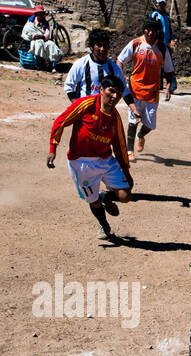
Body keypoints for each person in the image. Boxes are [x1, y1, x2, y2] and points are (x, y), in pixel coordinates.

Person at [48, 73, 133, 242]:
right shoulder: (86, 104)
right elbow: (61, 121)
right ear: (101, 89)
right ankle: (103, 224)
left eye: (119, 92)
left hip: (105, 161)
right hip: (81, 162)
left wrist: (126, 169)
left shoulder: (115, 118)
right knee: (92, 201)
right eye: (111, 91)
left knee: (126, 194)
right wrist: (53, 148)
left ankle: (105, 197)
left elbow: (120, 145)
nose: (115, 96)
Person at [118, 18, 175, 161]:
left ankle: (140, 135)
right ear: (144, 29)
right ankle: (129, 150)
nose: (150, 32)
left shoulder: (162, 48)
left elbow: (169, 70)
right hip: (135, 90)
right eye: (148, 29)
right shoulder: (135, 43)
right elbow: (120, 60)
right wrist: (120, 77)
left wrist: (168, 87)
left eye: (153, 30)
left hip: (152, 92)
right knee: (133, 121)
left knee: (150, 125)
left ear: (157, 32)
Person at [65, 28, 126, 100]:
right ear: (91, 47)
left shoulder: (113, 68)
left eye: (105, 45)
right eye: (99, 45)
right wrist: (78, 106)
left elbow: (124, 89)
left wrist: (134, 109)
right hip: (86, 109)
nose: (102, 49)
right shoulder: (81, 64)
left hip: (106, 110)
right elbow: (69, 86)